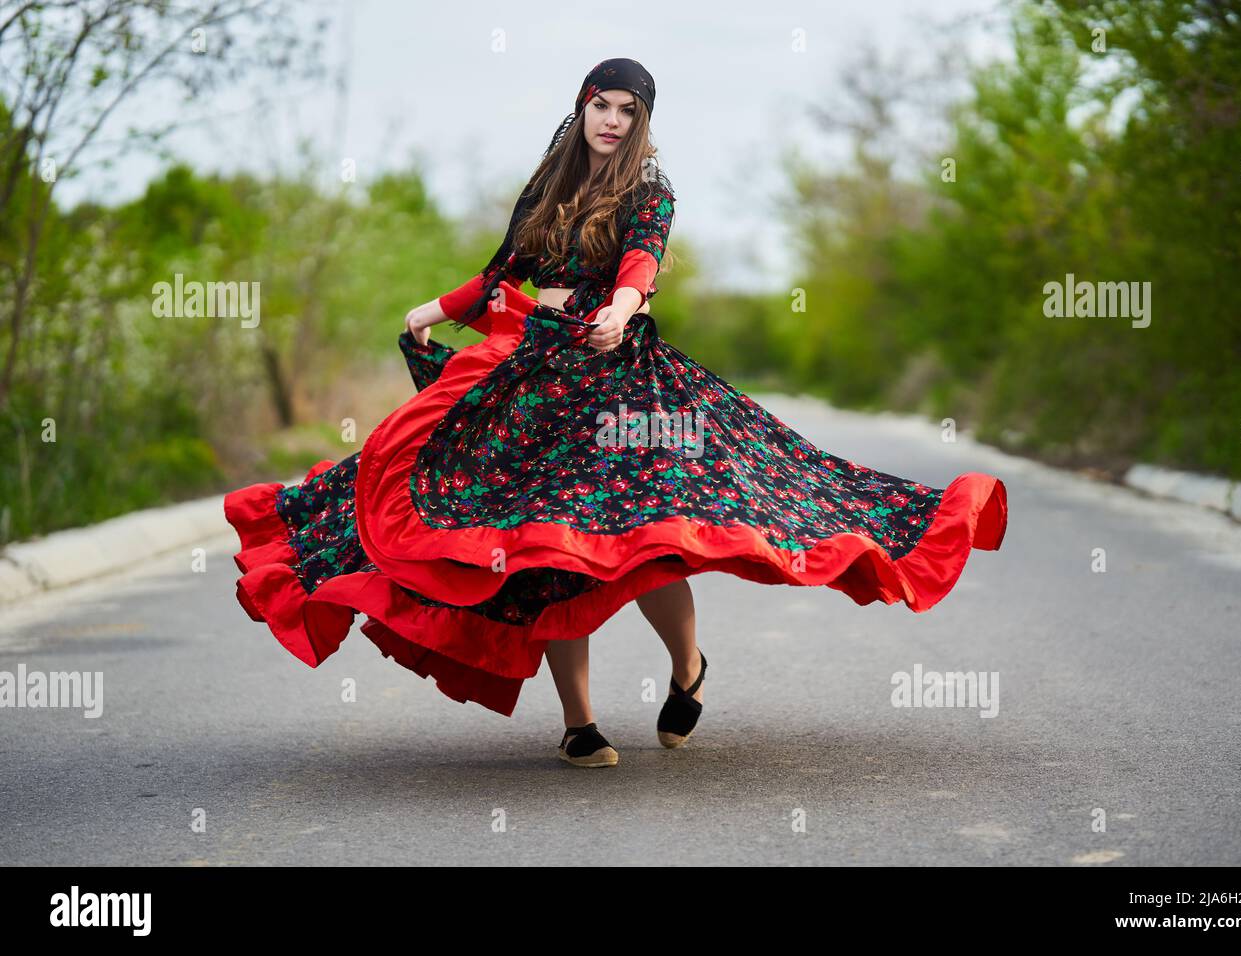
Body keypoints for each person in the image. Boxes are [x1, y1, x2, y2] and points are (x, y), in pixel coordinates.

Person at [223, 58, 1009, 770]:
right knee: (551, 550)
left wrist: (625, 306)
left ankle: (689, 669)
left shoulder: (649, 191)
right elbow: (500, 277)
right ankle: (579, 723)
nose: (614, 120)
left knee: (652, 540)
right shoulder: (547, 188)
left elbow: (643, 259)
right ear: (583, 106)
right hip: (539, 378)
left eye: (630, 111)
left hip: (619, 380)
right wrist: (424, 310)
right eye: (604, 104)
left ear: (642, 123)